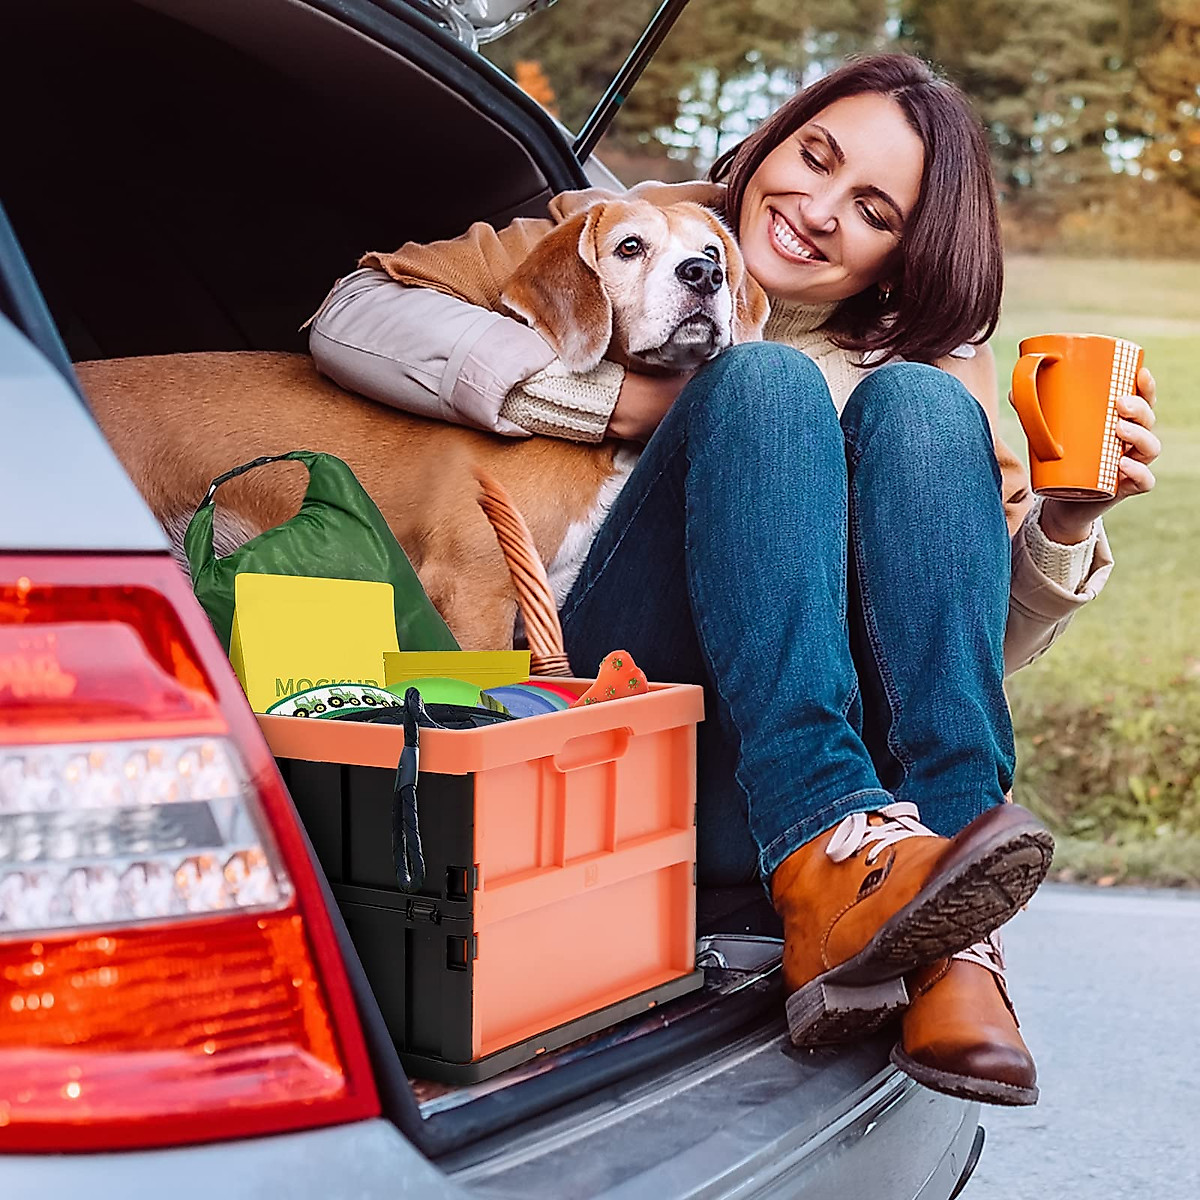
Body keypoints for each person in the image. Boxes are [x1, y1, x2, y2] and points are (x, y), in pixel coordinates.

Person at [308, 54, 1161, 1106]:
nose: (815, 208)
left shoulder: (926, 373)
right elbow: (354, 316)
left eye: (873, 209)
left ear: (902, 257)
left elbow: (958, 645)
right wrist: (616, 407)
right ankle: (829, 852)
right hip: (641, 733)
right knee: (761, 383)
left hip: (812, 782)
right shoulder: (624, 226)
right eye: (815, 155)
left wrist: (1066, 521)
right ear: (777, 133)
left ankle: (952, 933)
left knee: (923, 415)